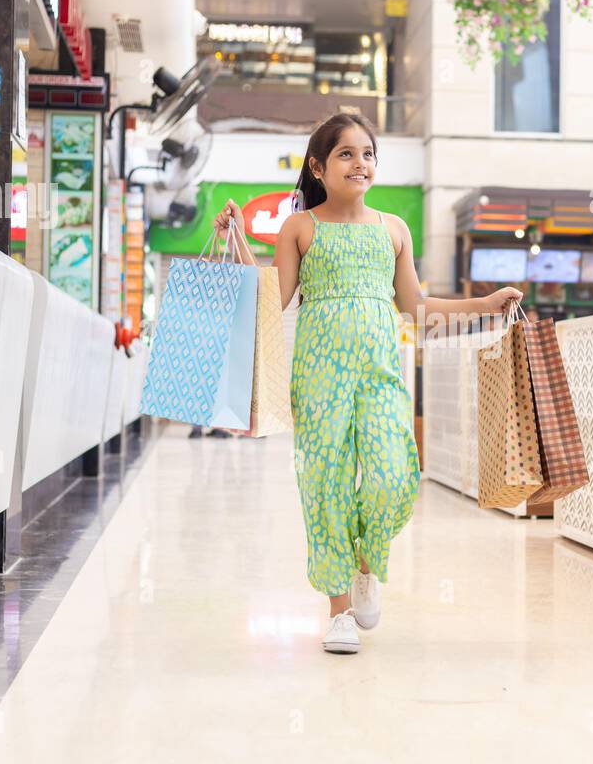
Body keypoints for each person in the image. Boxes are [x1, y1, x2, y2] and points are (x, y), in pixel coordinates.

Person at [216, 113, 521, 654]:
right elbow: (270, 302)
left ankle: (363, 566)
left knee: (395, 476)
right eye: (346, 154)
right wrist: (237, 237)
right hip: (318, 377)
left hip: (380, 375)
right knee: (324, 486)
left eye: (368, 154)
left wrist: (484, 304)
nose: (360, 163)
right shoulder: (300, 227)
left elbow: (419, 311)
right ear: (318, 166)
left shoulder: (394, 230)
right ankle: (338, 611)